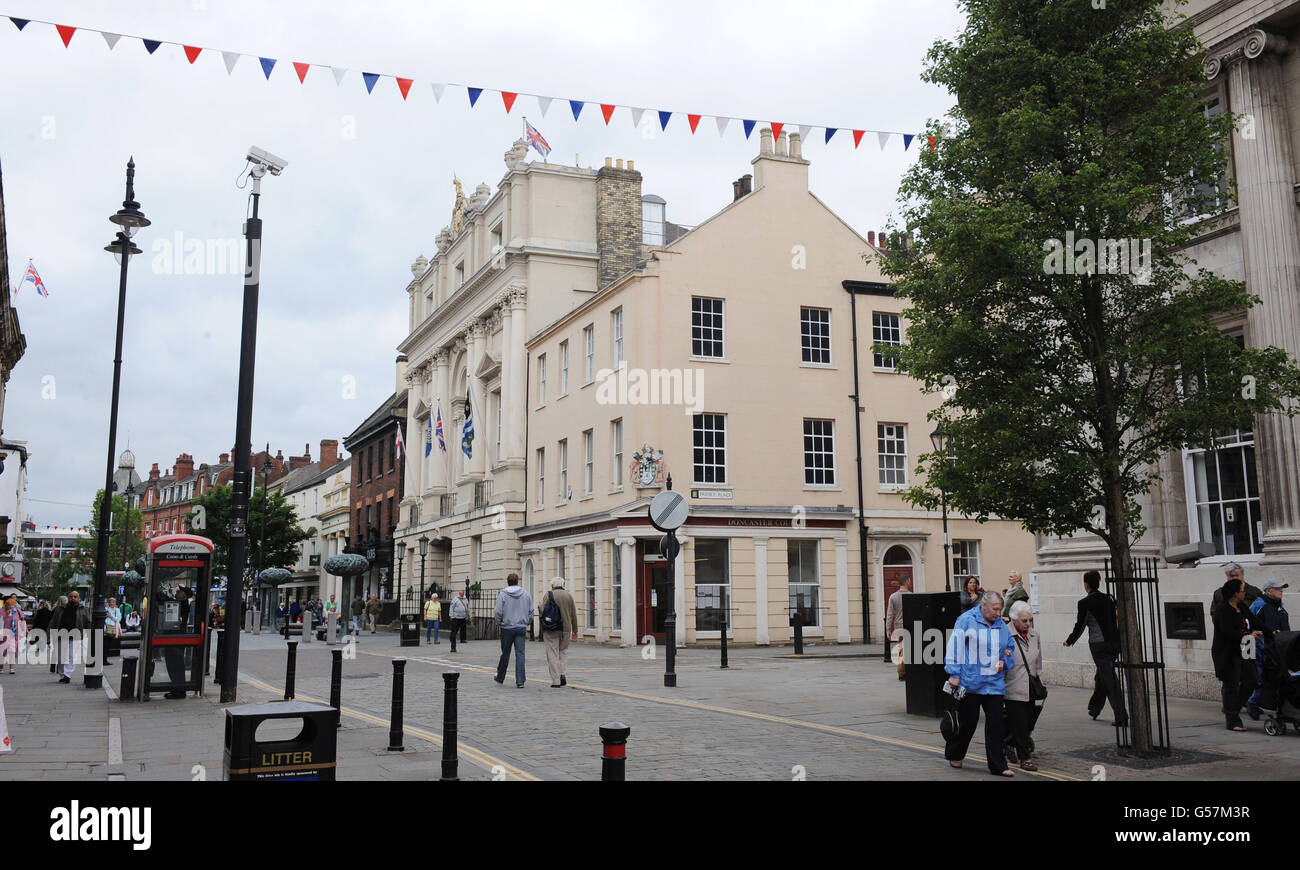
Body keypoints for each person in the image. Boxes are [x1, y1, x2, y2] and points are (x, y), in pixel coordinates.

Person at [943, 590, 1016, 776]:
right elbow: (955, 647)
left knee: (996, 725)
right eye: (995, 609)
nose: (998, 614)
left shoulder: (1001, 624)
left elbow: (1010, 648)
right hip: (971, 682)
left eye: (1000, 610)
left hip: (994, 683)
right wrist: (954, 673)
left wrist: (1004, 662)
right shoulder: (966, 620)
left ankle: (998, 765)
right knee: (968, 723)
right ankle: (956, 754)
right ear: (983, 606)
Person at [1063, 570, 1128, 727]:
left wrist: (1069, 640)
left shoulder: (1085, 603)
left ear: (1086, 584)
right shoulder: (1109, 599)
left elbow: (1080, 626)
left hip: (1099, 645)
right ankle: (1094, 708)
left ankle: (1121, 716)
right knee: (1102, 676)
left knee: (1109, 679)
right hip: (1115, 644)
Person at [1213, 577, 1271, 731]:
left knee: (1252, 679)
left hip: (1246, 646)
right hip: (1228, 651)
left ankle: (1233, 710)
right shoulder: (1222, 609)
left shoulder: (1242, 606)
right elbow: (1227, 632)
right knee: (1231, 683)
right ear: (1234, 594)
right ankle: (1232, 720)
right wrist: (1248, 636)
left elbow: (1256, 621)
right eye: (1242, 591)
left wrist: (1270, 632)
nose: (1244, 593)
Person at [1003, 601, 1043, 771]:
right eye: (1024, 621)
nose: (1028, 624)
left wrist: (1038, 678)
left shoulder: (1035, 635)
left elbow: (1038, 660)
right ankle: (1025, 757)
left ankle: (1007, 742)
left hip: (1030, 686)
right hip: (1012, 685)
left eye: (1030, 620)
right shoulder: (1005, 634)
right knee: (1020, 724)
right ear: (1014, 620)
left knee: (1028, 723)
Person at [1247, 580, 1290, 719]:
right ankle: (1251, 703)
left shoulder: (1280, 607)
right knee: (1259, 676)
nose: (1281, 591)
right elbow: (1248, 623)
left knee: (1273, 677)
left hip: (1275, 649)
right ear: (1269, 591)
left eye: (1282, 589)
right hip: (1261, 648)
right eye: (1278, 589)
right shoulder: (1260, 605)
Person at [494, 573, 533, 688]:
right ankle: (520, 680)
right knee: (520, 654)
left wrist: (499, 622)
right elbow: (531, 610)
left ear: (508, 581)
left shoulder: (503, 594)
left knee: (505, 654)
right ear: (517, 581)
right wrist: (528, 621)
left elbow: (498, 611)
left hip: (507, 627)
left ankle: (500, 677)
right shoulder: (526, 593)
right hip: (521, 627)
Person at [541, 578, 579, 688]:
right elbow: (573, 615)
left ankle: (556, 680)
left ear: (552, 585)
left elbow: (543, 613)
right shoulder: (569, 596)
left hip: (551, 628)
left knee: (552, 653)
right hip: (566, 629)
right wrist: (575, 630)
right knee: (563, 652)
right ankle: (562, 674)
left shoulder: (548, 595)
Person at [49, 591, 91, 683]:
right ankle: (62, 674)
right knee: (60, 657)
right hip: (61, 635)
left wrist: (88, 634)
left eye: (75, 597)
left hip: (75, 635)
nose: (73, 598)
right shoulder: (60, 609)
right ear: (68, 598)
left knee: (71, 656)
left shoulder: (83, 609)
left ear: (78, 598)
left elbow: (88, 622)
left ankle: (67, 675)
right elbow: (53, 621)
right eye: (71, 596)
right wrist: (50, 634)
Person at [885, 576, 912, 680]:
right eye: (909, 581)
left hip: (899, 627)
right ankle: (902, 672)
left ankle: (902, 672)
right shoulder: (912, 596)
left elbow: (890, 614)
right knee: (909, 651)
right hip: (910, 626)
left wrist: (888, 629)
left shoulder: (893, 596)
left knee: (902, 650)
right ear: (907, 582)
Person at [0, 597, 27, 674]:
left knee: (12, 651)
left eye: (12, 605)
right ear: (6, 605)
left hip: (13, 634)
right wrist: (6, 614)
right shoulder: (2, 611)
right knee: (2, 652)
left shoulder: (17, 611)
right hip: (3, 634)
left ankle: (11, 669)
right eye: (9, 605)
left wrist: (23, 631)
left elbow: (22, 620)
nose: (10, 606)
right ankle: (1, 668)